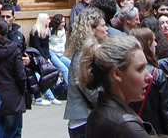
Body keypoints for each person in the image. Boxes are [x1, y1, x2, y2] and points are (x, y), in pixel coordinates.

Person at [77, 34, 155, 137]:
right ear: (117, 74)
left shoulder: (101, 113)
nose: (149, 76)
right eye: (140, 69)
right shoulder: (124, 125)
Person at [64, 7, 108, 137]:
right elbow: (92, 92)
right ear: (92, 29)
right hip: (84, 122)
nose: (107, 29)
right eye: (103, 25)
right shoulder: (84, 55)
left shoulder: (86, 52)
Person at [128, 26, 168, 134]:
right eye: (152, 41)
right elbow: (167, 113)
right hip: (155, 131)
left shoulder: (124, 72)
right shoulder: (156, 74)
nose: (156, 44)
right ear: (146, 45)